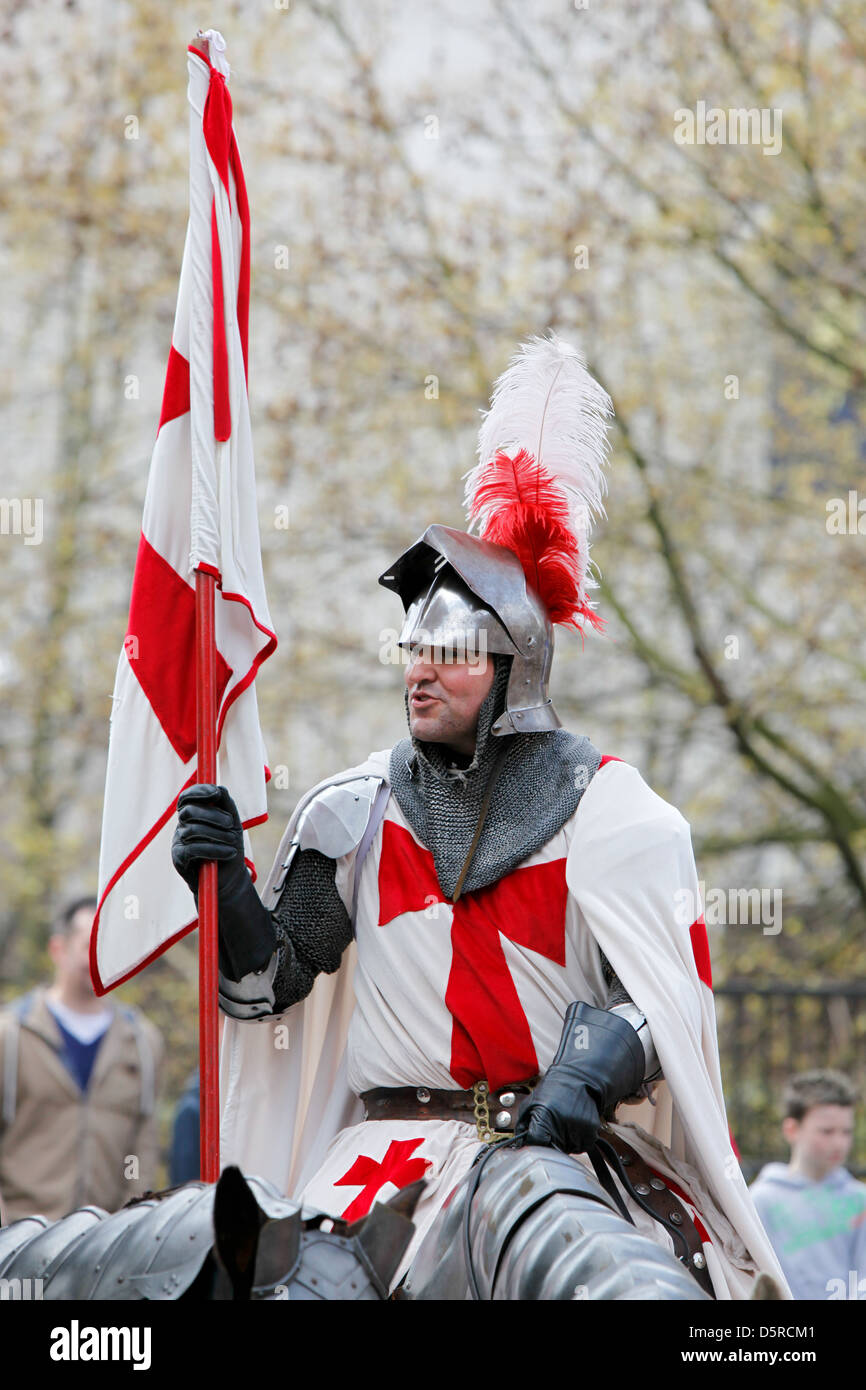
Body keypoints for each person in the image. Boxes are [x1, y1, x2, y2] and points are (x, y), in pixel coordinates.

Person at [173, 334, 789, 1298]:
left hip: (555, 1159)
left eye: (450, 647)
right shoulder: (350, 814)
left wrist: (584, 1077)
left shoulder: (614, 814)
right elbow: (266, 990)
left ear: (513, 671)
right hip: (381, 1168)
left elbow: (664, 1003)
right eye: (413, 645)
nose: (420, 666)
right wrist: (223, 889)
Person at [0, 896, 163, 1223]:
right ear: (57, 949)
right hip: (21, 1244)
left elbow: (141, 1152)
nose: (98, 957)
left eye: (107, 945)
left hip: (105, 1250)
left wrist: (131, 1225)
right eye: (88, 945)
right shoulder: (11, 1036)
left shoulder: (143, 1043)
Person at [750, 1070, 866, 1300]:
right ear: (792, 1129)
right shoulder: (759, 1200)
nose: (839, 1143)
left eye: (846, 1132)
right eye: (827, 1131)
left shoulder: (859, 1199)